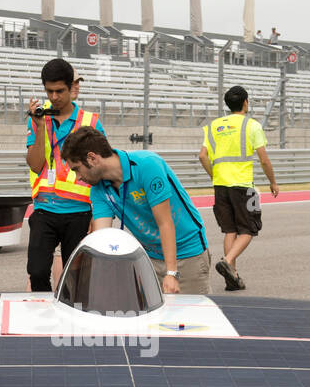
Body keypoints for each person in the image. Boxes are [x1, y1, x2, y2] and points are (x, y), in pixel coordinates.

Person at [61, 126, 211, 293]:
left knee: (193, 317)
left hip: (187, 254)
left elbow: (165, 223)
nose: (78, 177)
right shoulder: (98, 189)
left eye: (76, 169)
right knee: (155, 318)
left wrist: (171, 272)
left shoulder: (147, 164)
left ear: (92, 158)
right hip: (149, 258)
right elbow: (101, 235)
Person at [25, 59, 106, 292]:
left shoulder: (91, 122)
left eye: (59, 91)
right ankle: (43, 316)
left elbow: (100, 172)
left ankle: (71, 319)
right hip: (44, 209)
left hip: (79, 212)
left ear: (71, 87)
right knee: (37, 271)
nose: (54, 97)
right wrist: (40, 127)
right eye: (49, 91)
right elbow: (35, 164)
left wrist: (96, 215)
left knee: (77, 280)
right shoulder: (39, 118)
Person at [199, 85, 278, 291]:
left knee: (230, 229)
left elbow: (202, 156)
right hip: (243, 186)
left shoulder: (213, 126)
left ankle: (232, 276)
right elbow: (263, 159)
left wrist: (215, 175)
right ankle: (228, 261)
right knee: (249, 229)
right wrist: (273, 181)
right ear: (245, 102)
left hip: (220, 185)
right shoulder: (252, 126)